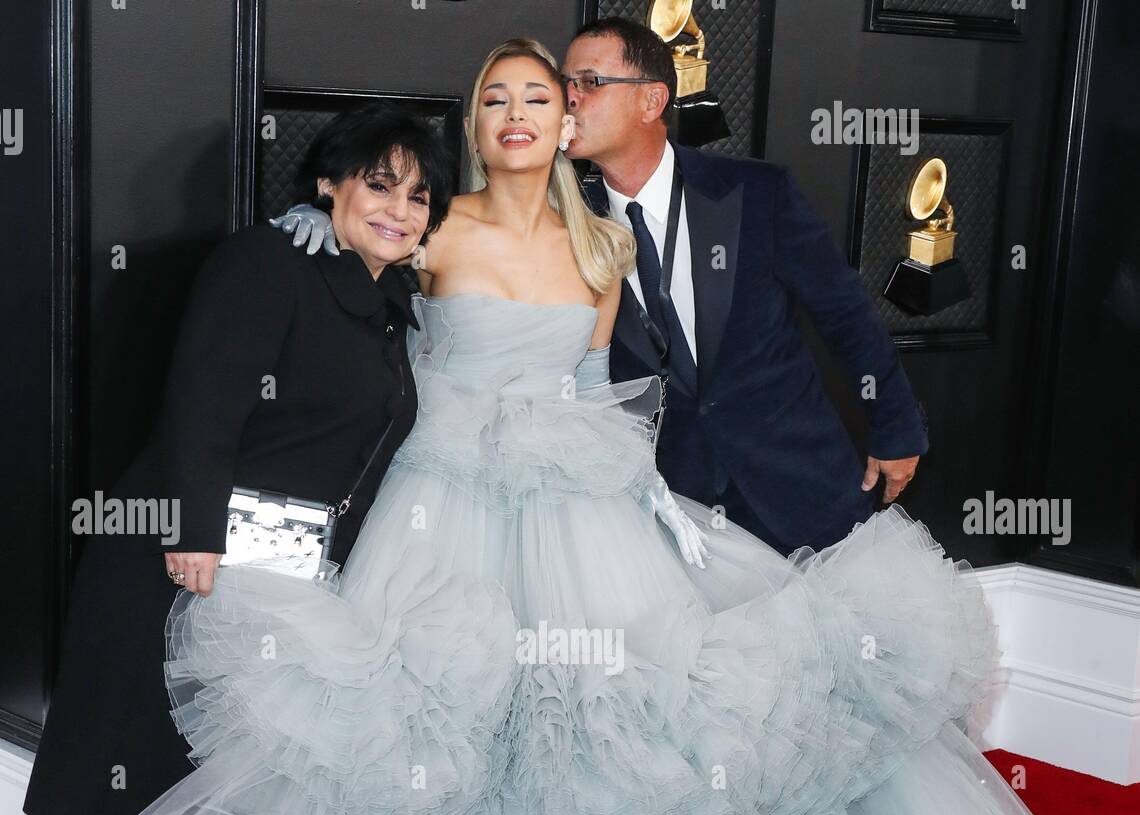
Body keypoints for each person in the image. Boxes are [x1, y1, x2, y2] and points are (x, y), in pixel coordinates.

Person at [74, 38, 1140, 815]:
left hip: (588, 525)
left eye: (544, 97)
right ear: (475, 123)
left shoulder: (601, 246)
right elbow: (351, 277)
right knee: (442, 764)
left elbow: (608, 388)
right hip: (443, 530)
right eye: (501, 99)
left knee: (617, 767)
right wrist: (308, 227)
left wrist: (663, 519)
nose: (524, 116)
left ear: (573, 119)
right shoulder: (433, 228)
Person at [21, 104, 452, 815]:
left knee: (224, 808)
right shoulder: (270, 262)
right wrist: (195, 535)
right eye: (376, 184)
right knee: (131, 788)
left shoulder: (397, 305)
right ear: (328, 186)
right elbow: (203, 397)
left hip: (288, 587)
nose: (397, 207)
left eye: (417, 194)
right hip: (183, 567)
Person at [277, 19, 930, 557]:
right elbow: (398, 236)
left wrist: (896, 426)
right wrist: (327, 215)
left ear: (651, 100)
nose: (569, 99)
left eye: (588, 83)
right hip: (672, 503)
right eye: (563, 86)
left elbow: (845, 313)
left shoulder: (756, 195)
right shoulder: (561, 219)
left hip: (800, 481)